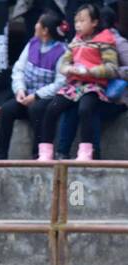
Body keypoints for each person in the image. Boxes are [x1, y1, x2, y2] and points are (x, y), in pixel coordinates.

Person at [38, 3, 119, 160]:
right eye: (76, 21)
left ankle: (86, 153)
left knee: (85, 109)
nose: (78, 25)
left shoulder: (105, 40)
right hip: (74, 85)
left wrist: (91, 71)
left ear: (94, 22)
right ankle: (45, 153)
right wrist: (68, 69)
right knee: (51, 109)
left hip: (94, 86)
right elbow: (64, 63)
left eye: (82, 21)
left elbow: (112, 68)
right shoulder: (75, 41)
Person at [0, 12, 66, 159]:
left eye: (38, 22)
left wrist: (37, 96)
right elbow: (19, 69)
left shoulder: (62, 51)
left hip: (46, 98)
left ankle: (38, 154)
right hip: (27, 95)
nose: (35, 25)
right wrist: (20, 90)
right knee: (7, 110)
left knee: (36, 109)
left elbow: (60, 83)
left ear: (45, 30)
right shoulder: (32, 43)